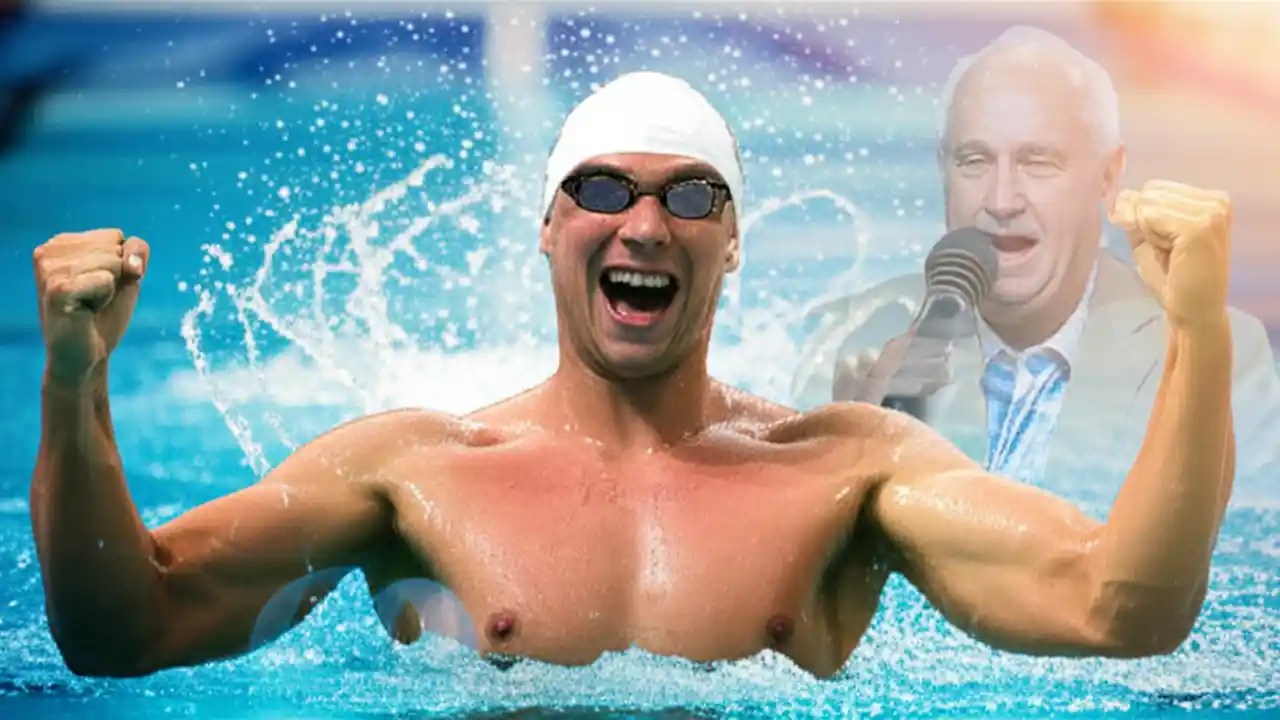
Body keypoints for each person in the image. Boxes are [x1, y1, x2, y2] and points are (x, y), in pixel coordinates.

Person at [31, 70, 1236, 680]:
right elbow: (120, 628)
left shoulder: (848, 471)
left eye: (689, 195)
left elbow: (1119, 610)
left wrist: (1195, 336)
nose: (644, 225)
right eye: (601, 190)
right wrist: (76, 384)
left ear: (732, 240)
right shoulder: (410, 471)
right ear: (548, 231)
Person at [790, 27, 1280, 485]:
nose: (1002, 200)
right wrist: (849, 466)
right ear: (944, 169)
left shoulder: (1218, 355)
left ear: (1107, 177)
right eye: (975, 161)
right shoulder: (850, 340)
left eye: (1038, 162)